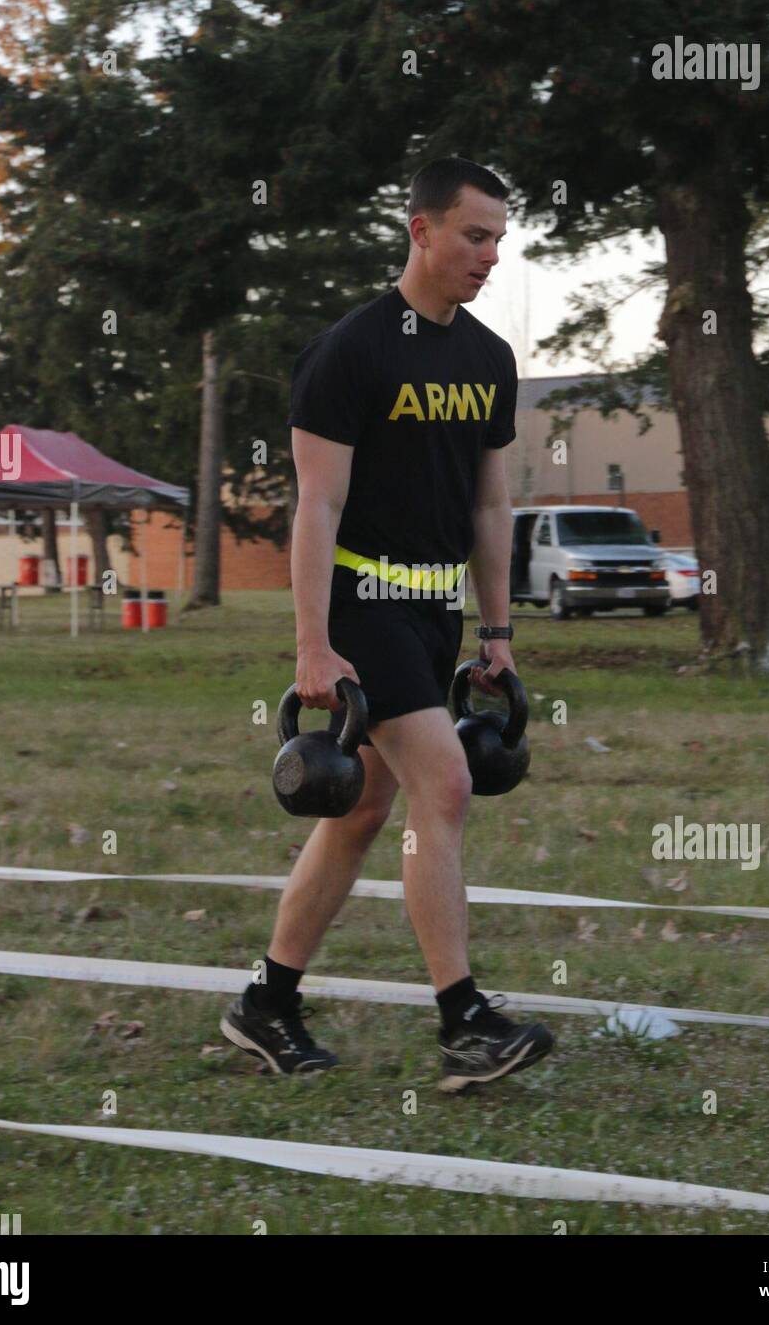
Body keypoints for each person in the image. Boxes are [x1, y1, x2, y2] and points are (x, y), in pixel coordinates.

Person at [220, 157, 554, 1092]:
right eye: (474, 235)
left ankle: (266, 1004)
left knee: (362, 811)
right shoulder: (349, 353)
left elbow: (490, 506)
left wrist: (496, 633)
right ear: (421, 230)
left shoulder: (488, 359)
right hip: (361, 606)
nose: (490, 255)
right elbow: (317, 508)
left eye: (499, 239)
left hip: (435, 611)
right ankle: (464, 1022)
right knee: (443, 785)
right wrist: (312, 644)